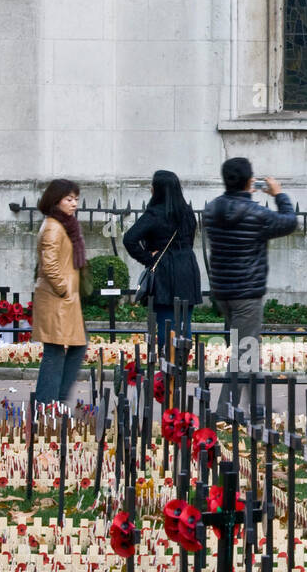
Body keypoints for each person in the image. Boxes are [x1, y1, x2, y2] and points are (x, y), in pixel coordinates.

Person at [203, 157, 296, 418]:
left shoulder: (211, 211)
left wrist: (245, 193)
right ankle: (224, 411)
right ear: (248, 181)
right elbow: (289, 222)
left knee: (248, 347)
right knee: (245, 353)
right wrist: (279, 194)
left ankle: (256, 409)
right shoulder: (257, 214)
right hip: (247, 293)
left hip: (223, 291)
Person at [123, 169, 202, 351]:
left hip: (165, 270)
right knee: (184, 322)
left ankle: (168, 368)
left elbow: (129, 239)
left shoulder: (155, 214)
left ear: (157, 189)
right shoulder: (188, 213)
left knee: (166, 322)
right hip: (188, 268)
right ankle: (180, 366)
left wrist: (148, 258)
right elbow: (189, 240)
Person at [31, 178, 88, 405]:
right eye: (69, 199)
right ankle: (47, 404)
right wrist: (64, 290)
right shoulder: (53, 227)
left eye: (76, 199)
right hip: (57, 299)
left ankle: (55, 400)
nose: (74, 204)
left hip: (64, 300)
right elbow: (49, 265)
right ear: (56, 200)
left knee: (75, 345)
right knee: (55, 352)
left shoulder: (63, 224)